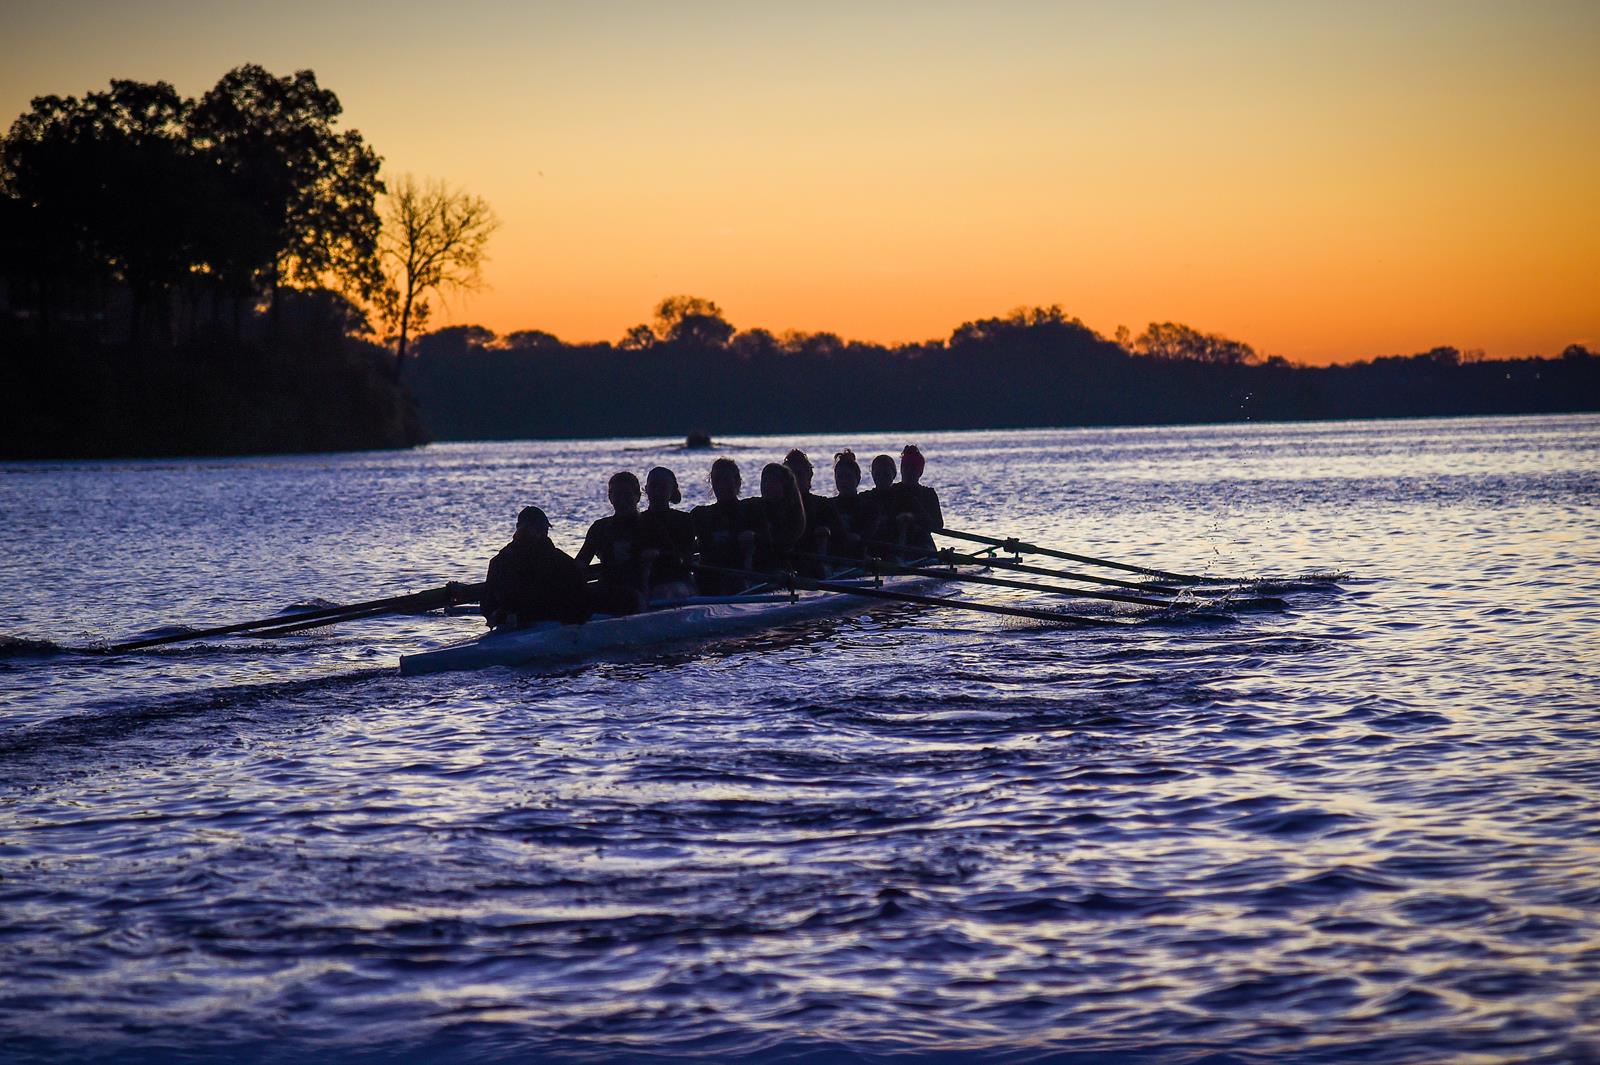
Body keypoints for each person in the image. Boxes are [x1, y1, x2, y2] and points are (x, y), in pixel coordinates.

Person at [480, 505, 591, 628]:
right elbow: (487, 605)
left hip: (547, 623)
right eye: (529, 528)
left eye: (536, 529)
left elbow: (580, 605)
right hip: (519, 623)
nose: (537, 533)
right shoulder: (499, 562)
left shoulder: (561, 562)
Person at [690, 458, 771, 594]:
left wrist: (754, 538)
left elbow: (769, 544)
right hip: (707, 579)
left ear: (738, 482)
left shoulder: (752, 510)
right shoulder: (700, 515)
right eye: (717, 480)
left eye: (726, 480)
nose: (721, 486)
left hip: (743, 579)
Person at [575, 471, 649, 616]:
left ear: (638, 496)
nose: (622, 500)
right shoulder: (599, 527)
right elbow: (581, 562)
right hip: (608, 588)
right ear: (610, 497)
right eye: (617, 494)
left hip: (638, 591)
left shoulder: (649, 524)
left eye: (626, 494)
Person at [638, 466, 697, 602]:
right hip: (646, 583)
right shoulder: (637, 521)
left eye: (663, 486)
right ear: (646, 489)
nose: (658, 491)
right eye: (654, 486)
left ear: (672, 490)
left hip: (677, 581)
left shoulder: (684, 520)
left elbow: (687, 559)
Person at [782, 448, 842, 574]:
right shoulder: (774, 506)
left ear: (809, 476)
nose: (794, 480)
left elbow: (841, 542)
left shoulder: (823, 505)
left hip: (814, 564)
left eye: (798, 474)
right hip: (783, 563)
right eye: (790, 475)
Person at [885, 444, 944, 557]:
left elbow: (938, 525)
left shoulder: (928, 494)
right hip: (896, 546)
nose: (908, 471)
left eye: (913, 468)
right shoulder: (892, 491)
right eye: (905, 467)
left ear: (920, 472)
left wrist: (914, 518)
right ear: (901, 469)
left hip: (923, 546)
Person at [829, 449, 881, 560]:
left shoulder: (869, 507)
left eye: (847, 476)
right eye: (840, 477)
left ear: (858, 479)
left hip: (861, 556)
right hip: (836, 558)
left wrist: (858, 537)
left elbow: (869, 534)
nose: (843, 481)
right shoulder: (828, 506)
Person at [756, 462, 808, 571]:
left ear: (784, 486)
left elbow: (781, 543)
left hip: (787, 566)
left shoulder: (793, 513)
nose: (767, 485)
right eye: (764, 480)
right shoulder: (753, 506)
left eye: (773, 481)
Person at [858, 453, 897, 557]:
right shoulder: (864, 498)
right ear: (872, 475)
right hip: (871, 550)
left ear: (894, 474)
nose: (881, 477)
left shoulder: (902, 497)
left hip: (896, 549)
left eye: (885, 474)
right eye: (878, 473)